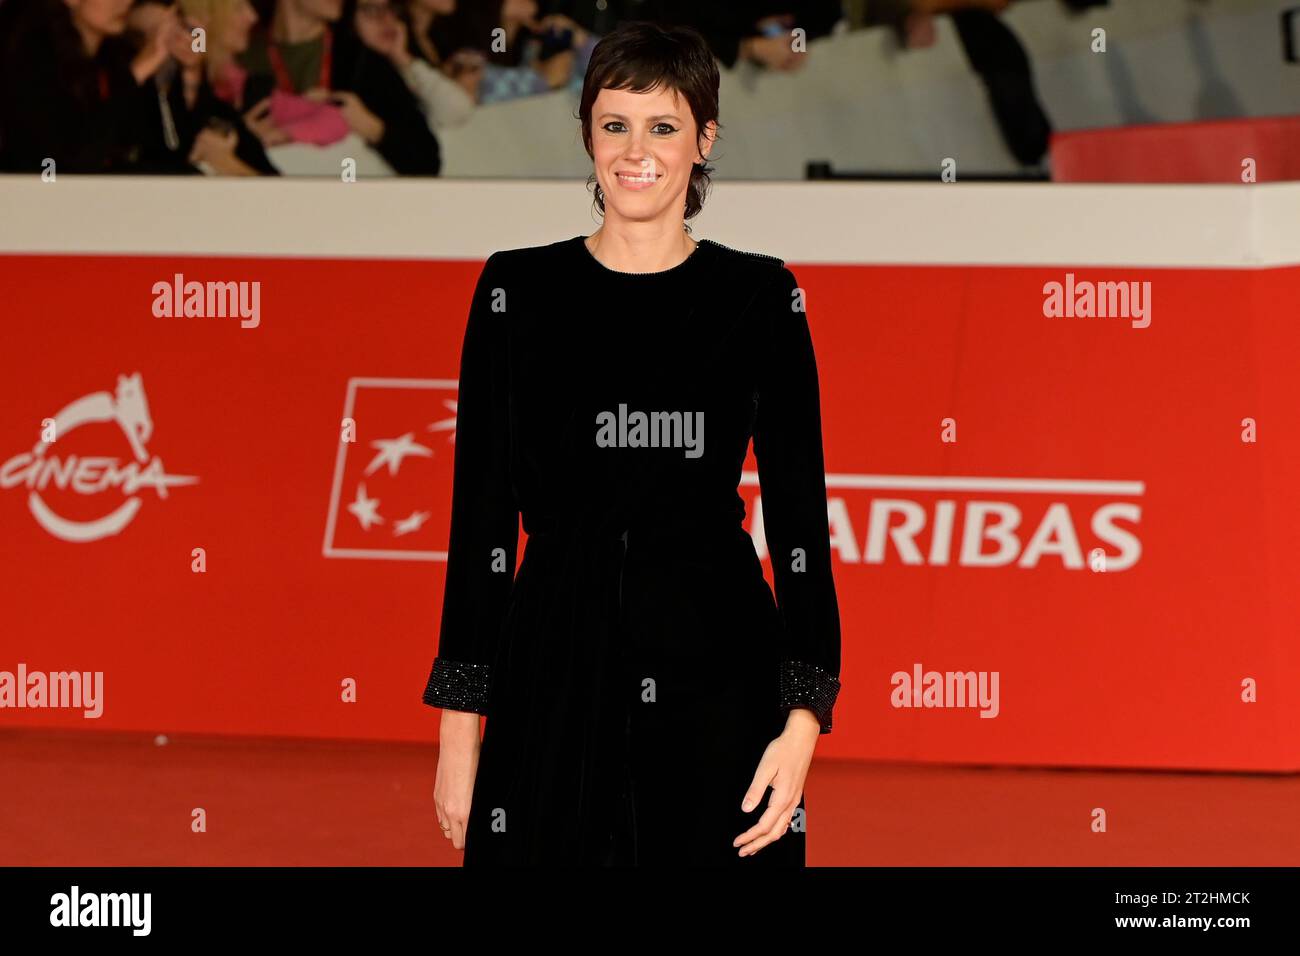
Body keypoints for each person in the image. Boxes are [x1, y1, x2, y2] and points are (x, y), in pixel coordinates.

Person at [420, 19, 843, 865]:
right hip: (552, 660)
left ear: (704, 139)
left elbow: (800, 524)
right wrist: (459, 736)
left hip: (715, 658)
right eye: (615, 125)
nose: (635, 151)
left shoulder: (758, 296)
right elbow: (481, 522)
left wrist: (802, 723)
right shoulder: (517, 290)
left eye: (664, 126)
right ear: (587, 134)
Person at [128, 0, 279, 173]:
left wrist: (193, 69)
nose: (253, 16)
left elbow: (278, 186)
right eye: (155, 35)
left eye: (183, 28)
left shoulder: (221, 103)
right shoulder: (137, 103)